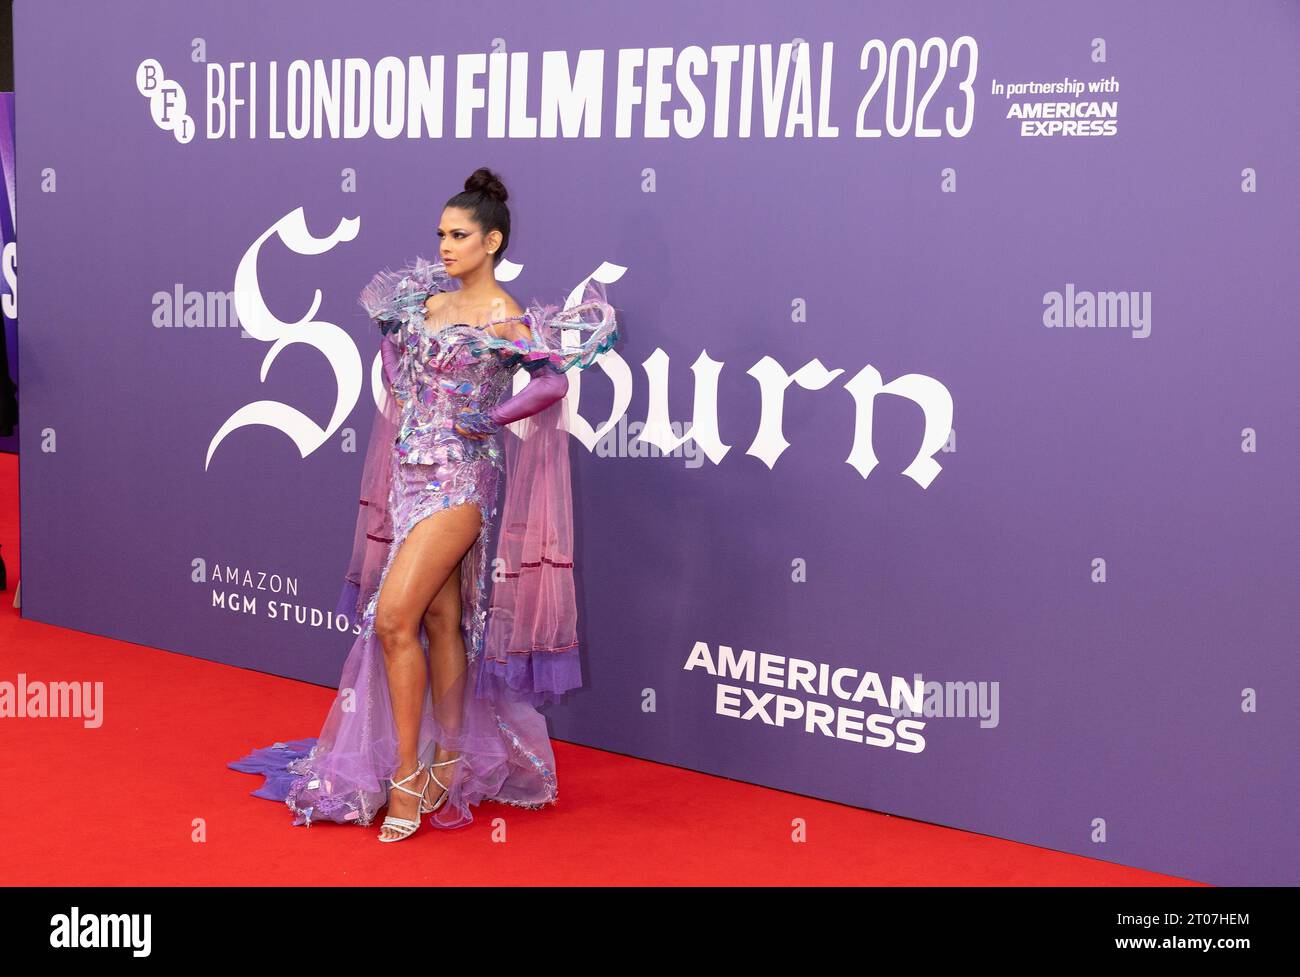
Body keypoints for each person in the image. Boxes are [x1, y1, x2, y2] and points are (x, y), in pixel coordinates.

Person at [229, 167, 618, 841]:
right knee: (441, 619)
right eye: (440, 233)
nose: (445, 246)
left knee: (392, 618)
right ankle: (448, 753)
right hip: (409, 474)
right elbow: (394, 367)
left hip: (463, 479)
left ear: (491, 241)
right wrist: (400, 367)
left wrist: (491, 415)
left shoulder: (506, 316)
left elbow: (553, 381)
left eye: (459, 235)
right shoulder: (426, 305)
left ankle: (407, 772)